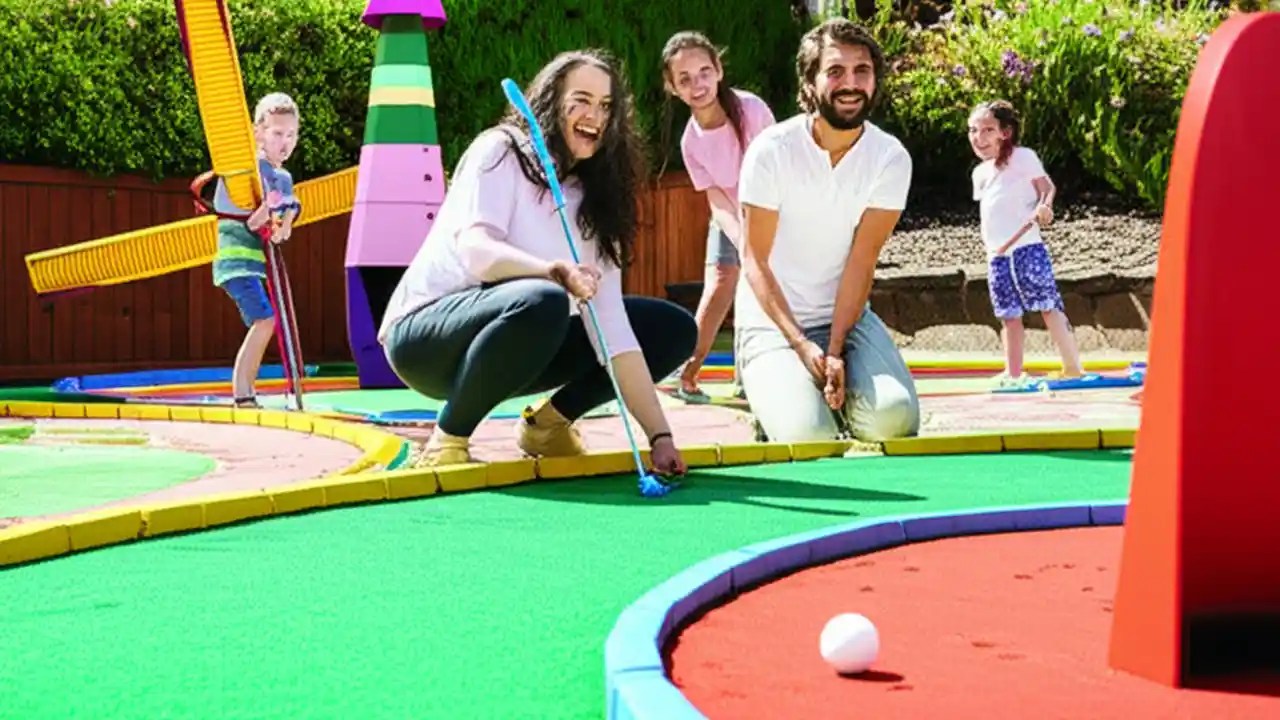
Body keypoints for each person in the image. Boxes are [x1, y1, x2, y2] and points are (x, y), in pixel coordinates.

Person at [378, 49, 697, 473]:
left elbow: (613, 332)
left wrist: (660, 438)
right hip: (426, 340)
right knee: (542, 300)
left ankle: (547, 426)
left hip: (524, 340)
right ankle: (448, 439)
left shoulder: (598, 201)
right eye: (580, 100)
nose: (594, 115)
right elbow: (477, 252)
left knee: (670, 330)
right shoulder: (500, 151)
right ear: (551, 102)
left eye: (606, 106)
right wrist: (550, 269)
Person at [735, 18, 920, 443]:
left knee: (893, 422)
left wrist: (835, 350)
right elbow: (754, 260)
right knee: (808, 438)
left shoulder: (890, 158)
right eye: (834, 72)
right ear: (810, 81)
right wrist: (801, 344)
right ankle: (776, 402)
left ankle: (832, 397)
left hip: (847, 320)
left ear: (875, 80)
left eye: (862, 71)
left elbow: (862, 258)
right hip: (773, 324)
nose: (849, 84)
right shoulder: (772, 151)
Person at [660, 31, 776, 403]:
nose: (698, 85)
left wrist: (761, 233)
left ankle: (753, 377)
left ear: (719, 70)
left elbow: (779, 167)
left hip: (775, 212)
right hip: (729, 218)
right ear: (672, 87)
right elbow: (716, 198)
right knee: (720, 284)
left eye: (704, 72)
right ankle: (686, 373)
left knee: (764, 290)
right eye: (685, 79)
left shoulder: (752, 110)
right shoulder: (690, 143)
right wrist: (742, 238)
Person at [967, 99, 1083, 385]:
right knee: (1008, 313)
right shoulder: (980, 173)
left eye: (987, 130)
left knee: (1047, 304)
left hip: (1026, 248)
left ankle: (1072, 368)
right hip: (997, 254)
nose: (978, 138)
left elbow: (1046, 187)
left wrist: (1045, 206)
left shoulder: (1023, 157)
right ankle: (1014, 372)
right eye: (972, 130)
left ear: (1005, 132)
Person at [210, 92, 302, 408]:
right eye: (277, 133)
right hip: (236, 262)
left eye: (291, 135)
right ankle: (242, 393)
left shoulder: (283, 178)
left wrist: (285, 217)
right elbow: (252, 223)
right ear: (258, 132)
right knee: (265, 321)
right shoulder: (246, 169)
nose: (285, 142)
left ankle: (246, 391)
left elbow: (279, 235)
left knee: (267, 321)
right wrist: (270, 208)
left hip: (254, 264)